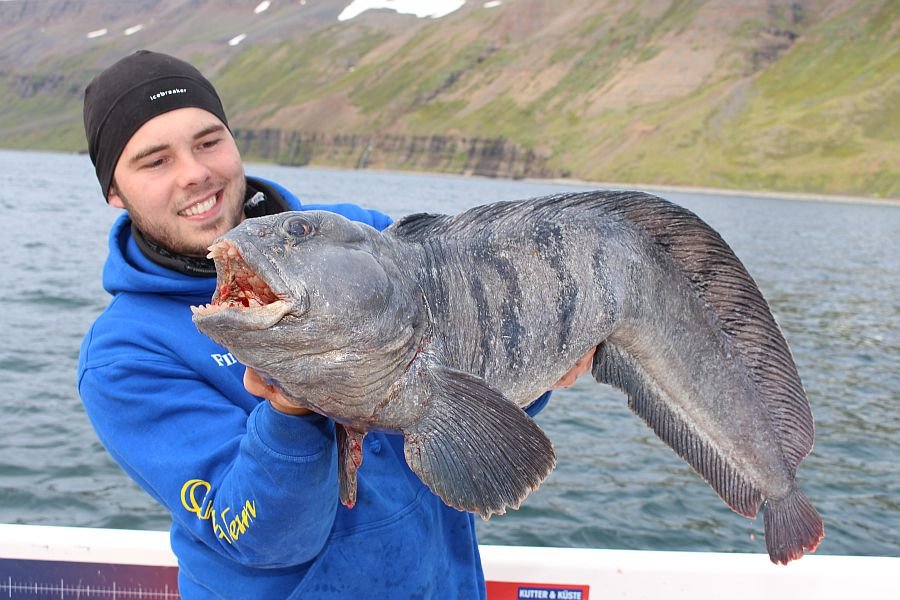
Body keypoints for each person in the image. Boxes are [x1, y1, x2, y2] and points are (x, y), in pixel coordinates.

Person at [77, 50, 591, 599]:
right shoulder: (125, 356)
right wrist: (290, 411)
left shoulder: (360, 236)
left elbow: (464, 400)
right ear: (115, 192)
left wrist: (540, 361)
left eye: (209, 141)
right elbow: (261, 539)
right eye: (155, 161)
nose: (195, 173)